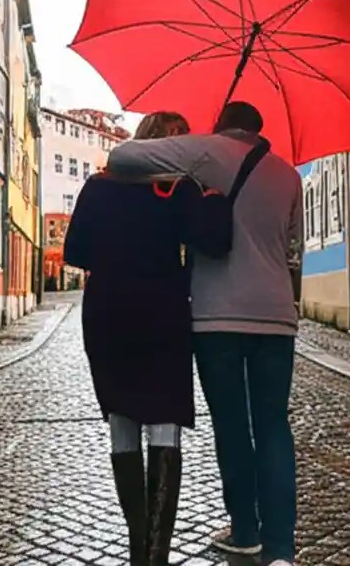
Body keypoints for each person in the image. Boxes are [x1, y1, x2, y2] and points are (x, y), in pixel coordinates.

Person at [106, 102, 304, 566]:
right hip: (277, 317)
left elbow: (122, 159)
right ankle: (282, 551)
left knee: (232, 425)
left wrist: (189, 161)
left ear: (221, 124)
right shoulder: (289, 176)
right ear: (260, 129)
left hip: (217, 318)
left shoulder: (207, 152)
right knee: (275, 426)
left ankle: (245, 531)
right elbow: (294, 250)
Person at [63, 112, 201, 566]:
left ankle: (138, 549)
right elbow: (206, 237)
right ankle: (155, 554)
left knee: (123, 423)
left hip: (108, 314)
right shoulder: (179, 190)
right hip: (162, 314)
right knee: (164, 425)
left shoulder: (99, 186)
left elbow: (76, 251)